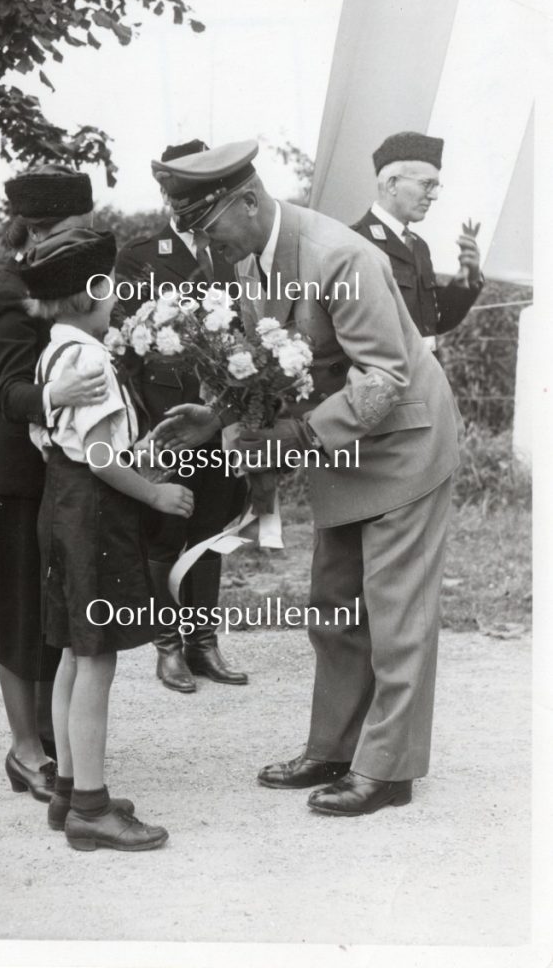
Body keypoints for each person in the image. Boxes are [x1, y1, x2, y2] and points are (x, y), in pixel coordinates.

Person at [151, 139, 462, 817]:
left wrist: (289, 438)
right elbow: (270, 362)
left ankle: (388, 770)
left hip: (403, 443)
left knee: (394, 615)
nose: (202, 244)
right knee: (334, 608)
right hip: (343, 446)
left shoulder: (340, 257)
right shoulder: (245, 259)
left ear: (249, 201)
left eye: (207, 227)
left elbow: (384, 379)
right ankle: (334, 747)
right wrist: (215, 416)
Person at [20, 227, 194, 851]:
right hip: (95, 516)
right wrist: (154, 491)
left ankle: (70, 790)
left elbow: (71, 444)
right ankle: (92, 809)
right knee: (98, 659)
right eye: (112, 281)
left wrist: (143, 448)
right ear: (93, 291)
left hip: (63, 507)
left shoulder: (55, 352)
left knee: (73, 649)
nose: (118, 291)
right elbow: (98, 455)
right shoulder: (90, 357)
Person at [0, 165, 109, 802]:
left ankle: (49, 738)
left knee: (52, 608)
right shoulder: (11, 290)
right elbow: (6, 393)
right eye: (79, 230)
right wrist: (58, 393)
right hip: (15, 480)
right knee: (22, 610)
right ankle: (24, 750)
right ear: (45, 228)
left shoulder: (68, 281)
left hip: (59, 474)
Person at [115, 139, 248, 693]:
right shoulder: (140, 254)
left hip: (217, 420)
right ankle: (167, 646)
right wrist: (143, 432)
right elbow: (123, 348)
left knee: (210, 532)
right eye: (174, 188)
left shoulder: (232, 252)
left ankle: (203, 643)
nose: (180, 198)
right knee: (164, 533)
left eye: (193, 189)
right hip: (165, 422)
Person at [350, 132, 483, 351]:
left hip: (425, 375)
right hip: (386, 379)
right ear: (392, 184)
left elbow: (435, 323)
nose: (434, 196)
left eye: (436, 186)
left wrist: (466, 278)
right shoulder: (356, 242)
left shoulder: (419, 246)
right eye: (426, 184)